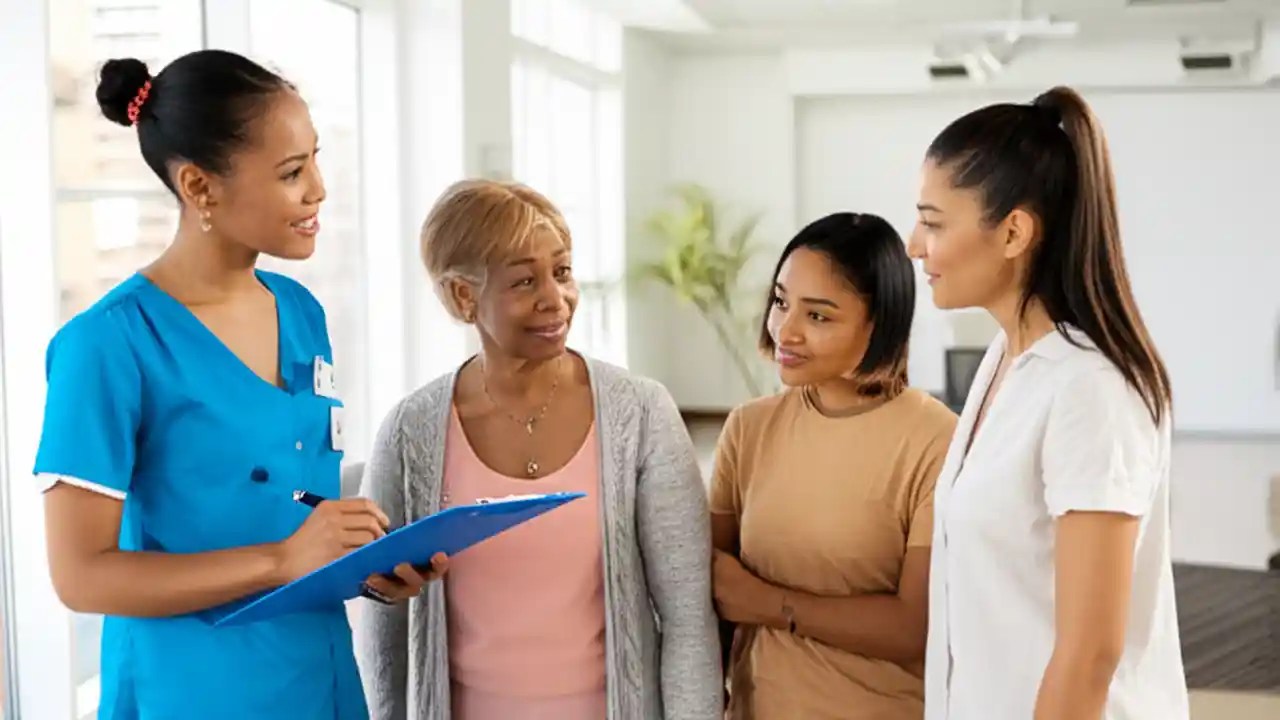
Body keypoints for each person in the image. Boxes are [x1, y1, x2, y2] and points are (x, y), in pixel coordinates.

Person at [33, 50, 444, 720]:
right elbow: (82, 576)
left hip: (320, 680)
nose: (318, 190)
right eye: (291, 172)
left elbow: (286, 502)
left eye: (314, 161)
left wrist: (362, 564)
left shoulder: (301, 313)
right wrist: (283, 559)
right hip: (190, 694)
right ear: (199, 187)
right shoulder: (106, 345)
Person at [353, 179, 722, 720]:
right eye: (525, 281)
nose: (556, 299)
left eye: (563, 272)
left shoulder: (642, 414)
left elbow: (687, 618)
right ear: (463, 296)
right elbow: (382, 637)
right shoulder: (409, 431)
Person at [909, 86, 1189, 720]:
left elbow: (1090, 657)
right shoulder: (1004, 360)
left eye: (933, 222)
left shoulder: (1092, 388)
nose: (914, 244)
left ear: (1014, 232)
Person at [709, 212, 958, 719]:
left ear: (880, 323)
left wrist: (767, 604)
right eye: (781, 302)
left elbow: (914, 627)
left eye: (818, 316)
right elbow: (711, 589)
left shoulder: (936, 441)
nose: (786, 331)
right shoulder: (748, 428)